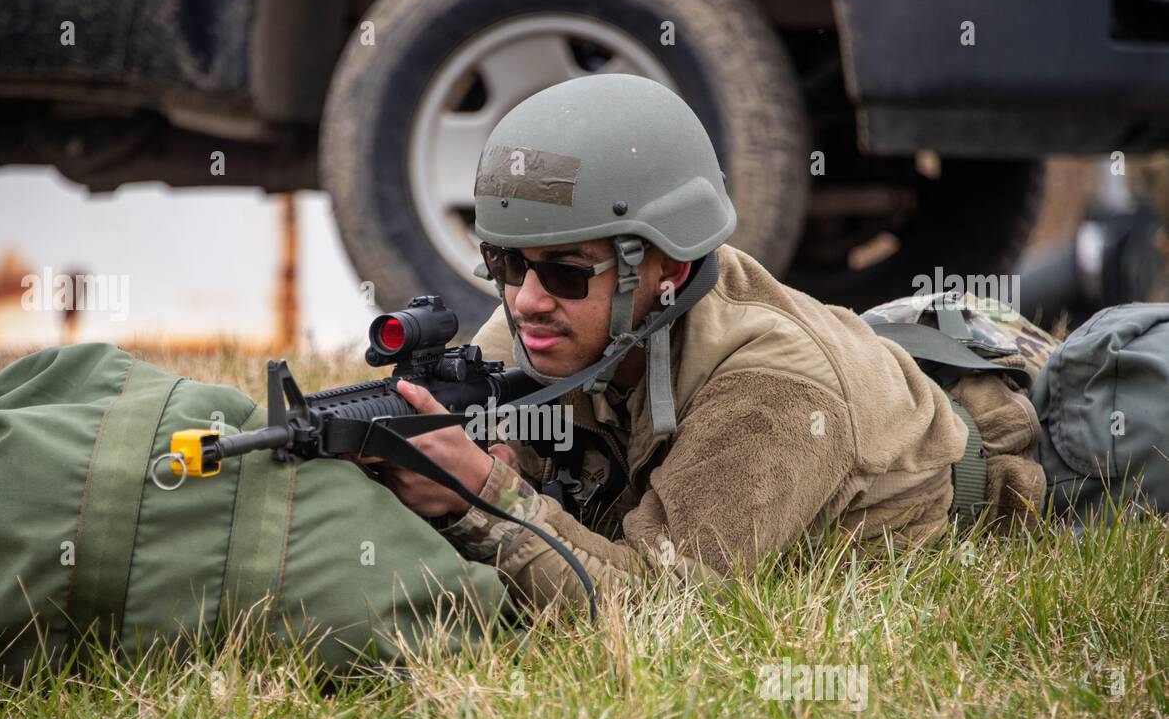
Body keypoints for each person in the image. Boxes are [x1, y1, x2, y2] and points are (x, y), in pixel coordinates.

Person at [373, 74, 969, 609]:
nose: (527, 300)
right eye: (506, 263)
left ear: (669, 269)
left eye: (566, 271)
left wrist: (485, 498)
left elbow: (664, 606)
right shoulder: (546, 325)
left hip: (994, 438)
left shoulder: (775, 390)